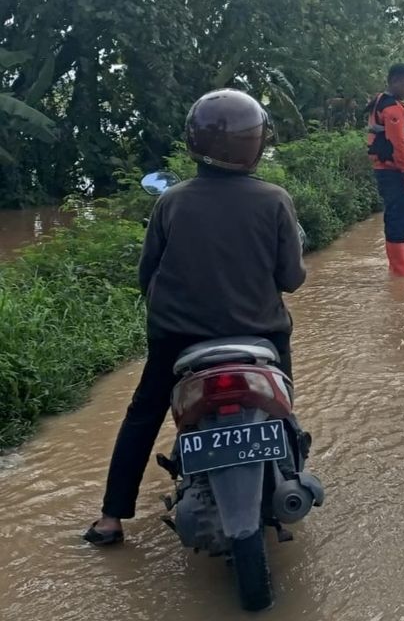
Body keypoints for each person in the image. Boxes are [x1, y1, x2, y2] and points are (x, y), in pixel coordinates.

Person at [84, 90, 306, 546]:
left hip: (178, 340)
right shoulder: (275, 199)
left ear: (194, 143)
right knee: (282, 403)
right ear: (256, 145)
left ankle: (110, 518)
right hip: (259, 336)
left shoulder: (171, 202)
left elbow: (147, 274)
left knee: (145, 412)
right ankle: (289, 472)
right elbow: (292, 278)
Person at [367, 63, 404, 277]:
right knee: (399, 219)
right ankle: (401, 273)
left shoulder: (383, 103)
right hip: (395, 173)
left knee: (397, 217)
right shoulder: (392, 109)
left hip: (388, 171)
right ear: (394, 82)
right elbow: (398, 144)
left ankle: (398, 268)